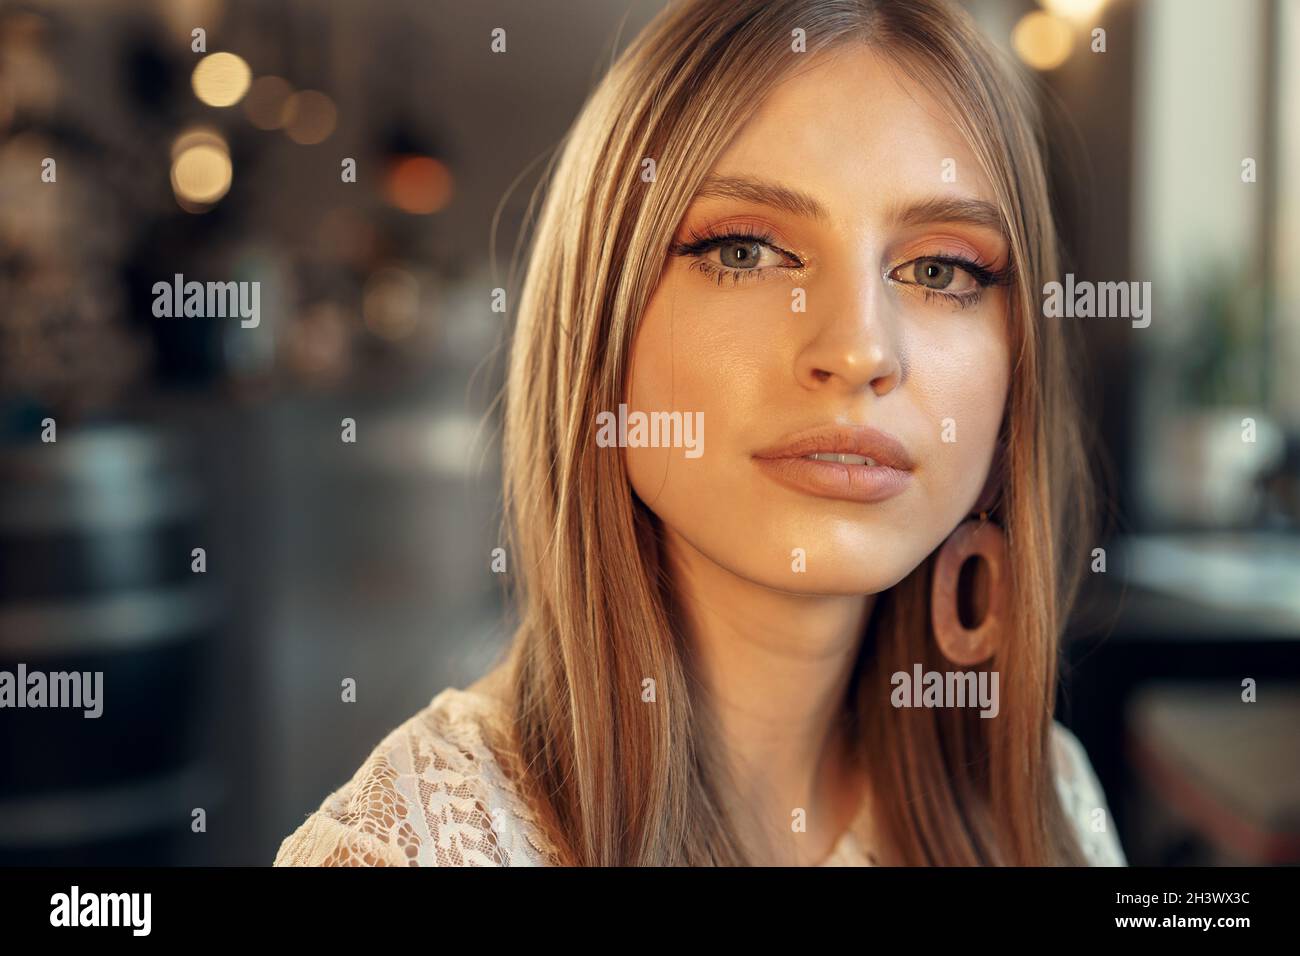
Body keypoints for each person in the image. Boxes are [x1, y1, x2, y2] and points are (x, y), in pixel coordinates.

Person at [274, 0, 1127, 867]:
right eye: (748, 250)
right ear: (599, 317)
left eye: (940, 269)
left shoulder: (1046, 800)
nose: (861, 350)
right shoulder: (411, 849)